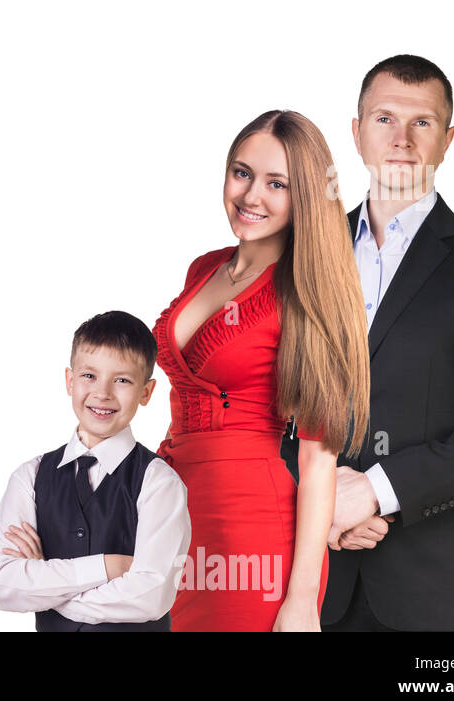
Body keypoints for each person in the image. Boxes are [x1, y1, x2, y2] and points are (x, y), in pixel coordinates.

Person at [280, 55, 454, 632]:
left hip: (440, 597)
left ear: (447, 139)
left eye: (421, 123)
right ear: (356, 132)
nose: (400, 140)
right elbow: (275, 410)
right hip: (314, 587)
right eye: (383, 119)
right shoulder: (304, 255)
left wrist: (377, 491)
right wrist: (323, 505)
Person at [150, 110, 371, 631]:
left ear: (307, 199)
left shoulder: (309, 295)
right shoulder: (204, 268)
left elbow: (319, 462)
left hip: (248, 530)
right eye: (242, 172)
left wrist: (299, 603)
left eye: (278, 183)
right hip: (172, 513)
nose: (251, 196)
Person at [0, 311, 191, 631]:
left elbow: (151, 594)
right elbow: (3, 584)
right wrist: (108, 567)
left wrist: (46, 588)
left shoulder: (158, 482)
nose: (103, 393)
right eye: (89, 376)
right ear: (69, 380)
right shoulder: (30, 477)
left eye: (122, 380)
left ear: (146, 393)